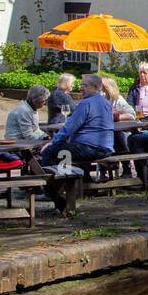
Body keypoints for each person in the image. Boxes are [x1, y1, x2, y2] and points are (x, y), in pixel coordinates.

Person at [39, 73, 114, 209]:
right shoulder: (105, 102)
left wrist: (52, 142)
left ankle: (55, 195)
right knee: (64, 151)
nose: (81, 88)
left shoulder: (86, 103)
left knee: (49, 152)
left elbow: (69, 127)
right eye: (81, 85)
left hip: (90, 147)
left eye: (85, 85)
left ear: (96, 87)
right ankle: (72, 183)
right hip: (106, 148)